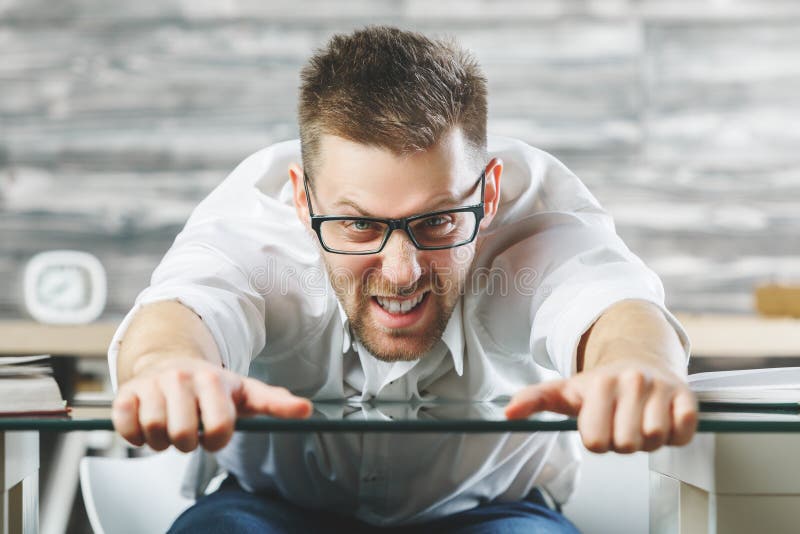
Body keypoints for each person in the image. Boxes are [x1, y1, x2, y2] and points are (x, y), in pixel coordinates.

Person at [109, 26, 697, 533]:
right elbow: (187, 306)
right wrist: (165, 365)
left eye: (438, 221)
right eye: (359, 224)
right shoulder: (253, 223)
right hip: (269, 509)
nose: (401, 272)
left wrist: (637, 363)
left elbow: (611, 303)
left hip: (494, 510)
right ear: (302, 200)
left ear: (488, 194)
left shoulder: (535, 214)